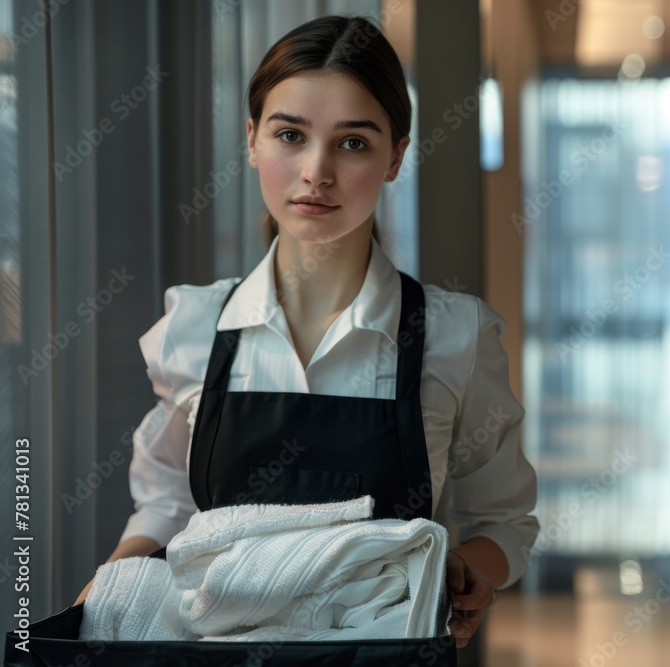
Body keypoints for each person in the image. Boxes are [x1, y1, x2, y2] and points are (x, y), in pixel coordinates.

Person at [74, 15, 539, 649]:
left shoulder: (455, 337)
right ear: (251, 140)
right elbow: (167, 509)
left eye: (353, 143)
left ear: (397, 155)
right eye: (290, 134)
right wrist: (110, 584)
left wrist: (471, 573)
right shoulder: (191, 329)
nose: (316, 171)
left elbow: (503, 522)